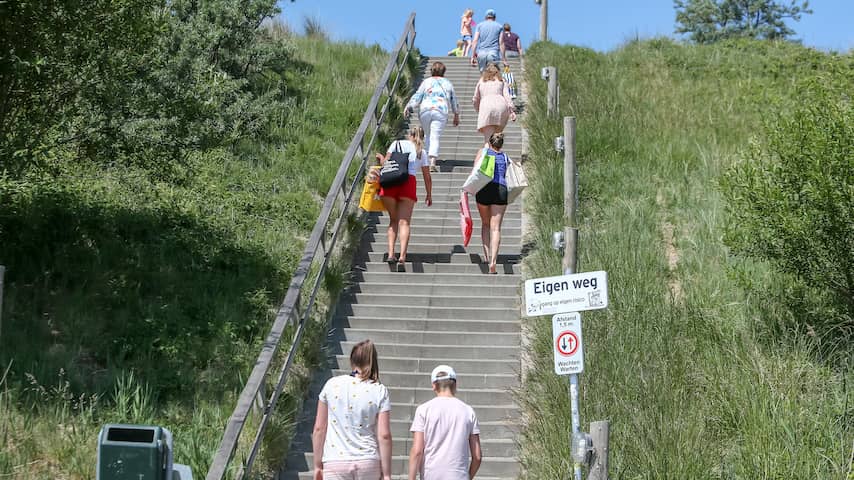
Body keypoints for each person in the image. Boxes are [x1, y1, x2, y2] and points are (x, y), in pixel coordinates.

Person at [312, 340, 392, 480]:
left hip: (335, 459)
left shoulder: (331, 385)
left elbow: (319, 428)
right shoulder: (379, 390)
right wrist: (386, 474)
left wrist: (318, 465)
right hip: (368, 460)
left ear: (352, 361)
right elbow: (384, 435)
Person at [408, 365, 482, 480]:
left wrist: (411, 478)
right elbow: (477, 456)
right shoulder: (468, 411)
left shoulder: (424, 410)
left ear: (433, 385)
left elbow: (417, 450)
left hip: (431, 475)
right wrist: (468, 476)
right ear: (455, 385)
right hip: (459, 475)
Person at [376, 126, 432, 271]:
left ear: (409, 135)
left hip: (390, 182)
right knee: (404, 222)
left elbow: (385, 164)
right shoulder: (422, 152)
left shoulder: (396, 144)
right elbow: (427, 176)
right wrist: (429, 194)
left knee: (393, 220)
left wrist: (381, 158)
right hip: (408, 183)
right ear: (422, 137)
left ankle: (390, 253)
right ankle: (402, 256)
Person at [404, 62, 460, 172]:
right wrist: (456, 114)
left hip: (425, 110)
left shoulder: (426, 82)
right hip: (440, 110)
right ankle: (432, 160)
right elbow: (454, 100)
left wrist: (409, 106)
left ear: (432, 71)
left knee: (428, 134)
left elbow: (418, 95)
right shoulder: (447, 83)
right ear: (443, 71)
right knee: (435, 135)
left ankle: (425, 158)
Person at [474, 133, 511, 274]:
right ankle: (493, 262)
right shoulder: (505, 157)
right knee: (496, 228)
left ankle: (486, 256)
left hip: (484, 188)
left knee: (485, 224)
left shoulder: (483, 152)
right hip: (501, 189)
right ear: (501, 144)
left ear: (490, 143)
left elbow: (475, 171)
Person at [472, 63, 516, 146]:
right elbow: (507, 97)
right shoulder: (501, 80)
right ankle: (497, 157)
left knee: (488, 140)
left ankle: (488, 157)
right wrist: (512, 111)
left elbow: (475, 99)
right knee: (496, 138)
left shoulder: (481, 81)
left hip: (486, 107)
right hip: (501, 107)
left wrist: (478, 109)